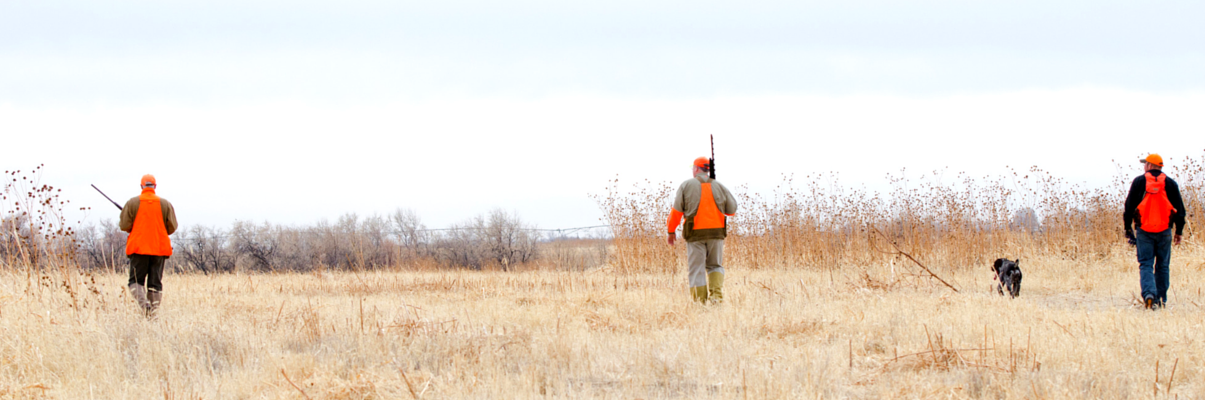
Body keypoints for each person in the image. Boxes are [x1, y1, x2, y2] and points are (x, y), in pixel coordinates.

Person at [667, 157, 738, 303]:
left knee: (697, 268)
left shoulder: (686, 185)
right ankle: (716, 298)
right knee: (715, 266)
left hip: (695, 234)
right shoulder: (719, 185)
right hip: (716, 233)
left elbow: (676, 212)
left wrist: (671, 231)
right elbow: (731, 210)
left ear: (696, 169)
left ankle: (700, 303)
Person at [1124, 154, 1186, 309]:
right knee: (1163, 265)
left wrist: (1128, 229)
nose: (1144, 167)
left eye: (1145, 164)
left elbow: (1129, 207)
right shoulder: (1170, 183)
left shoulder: (1139, 181)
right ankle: (1161, 299)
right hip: (1165, 230)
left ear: (1150, 166)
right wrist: (1179, 232)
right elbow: (1180, 211)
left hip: (1143, 230)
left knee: (1145, 264)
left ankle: (1149, 294)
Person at [119, 174, 178, 316]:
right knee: (155, 284)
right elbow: (172, 227)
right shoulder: (165, 204)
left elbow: (124, 225)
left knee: (135, 281)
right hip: (159, 249)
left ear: (141, 186)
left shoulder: (132, 203)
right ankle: (152, 315)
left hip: (138, 249)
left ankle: (144, 304)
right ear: (155, 186)